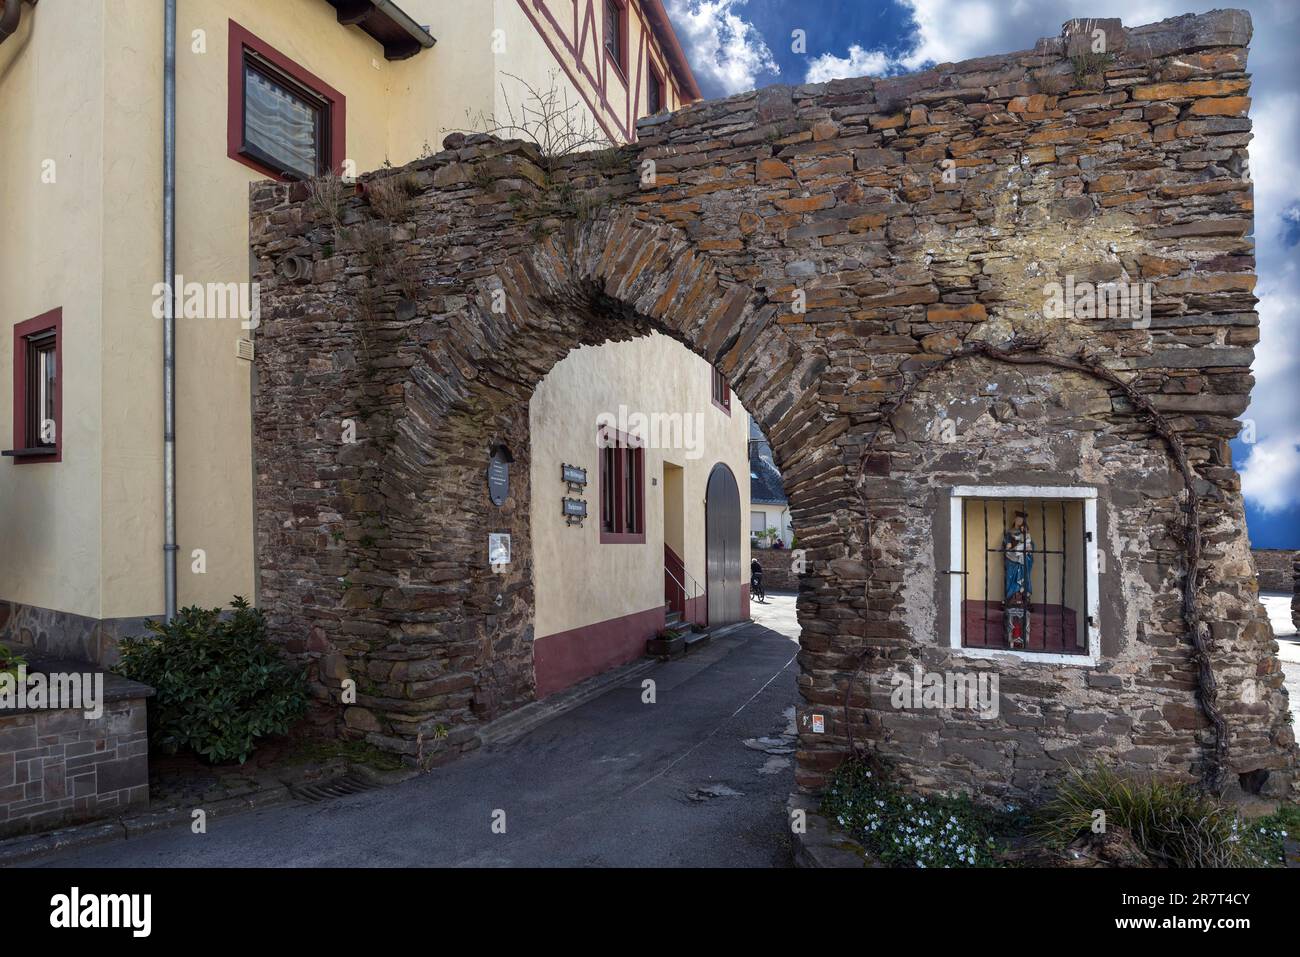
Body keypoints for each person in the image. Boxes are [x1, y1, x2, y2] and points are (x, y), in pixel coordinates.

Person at [1002, 510, 1033, 648]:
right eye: (1018, 519)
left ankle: (1023, 596)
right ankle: (1010, 597)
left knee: (1023, 576)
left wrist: (1028, 549)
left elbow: (1031, 546)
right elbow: (1006, 547)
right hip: (1012, 560)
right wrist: (1012, 546)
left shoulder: (1027, 534)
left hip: (1023, 559)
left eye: (1021, 520)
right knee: (1011, 577)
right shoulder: (1009, 533)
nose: (1019, 522)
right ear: (1014, 520)